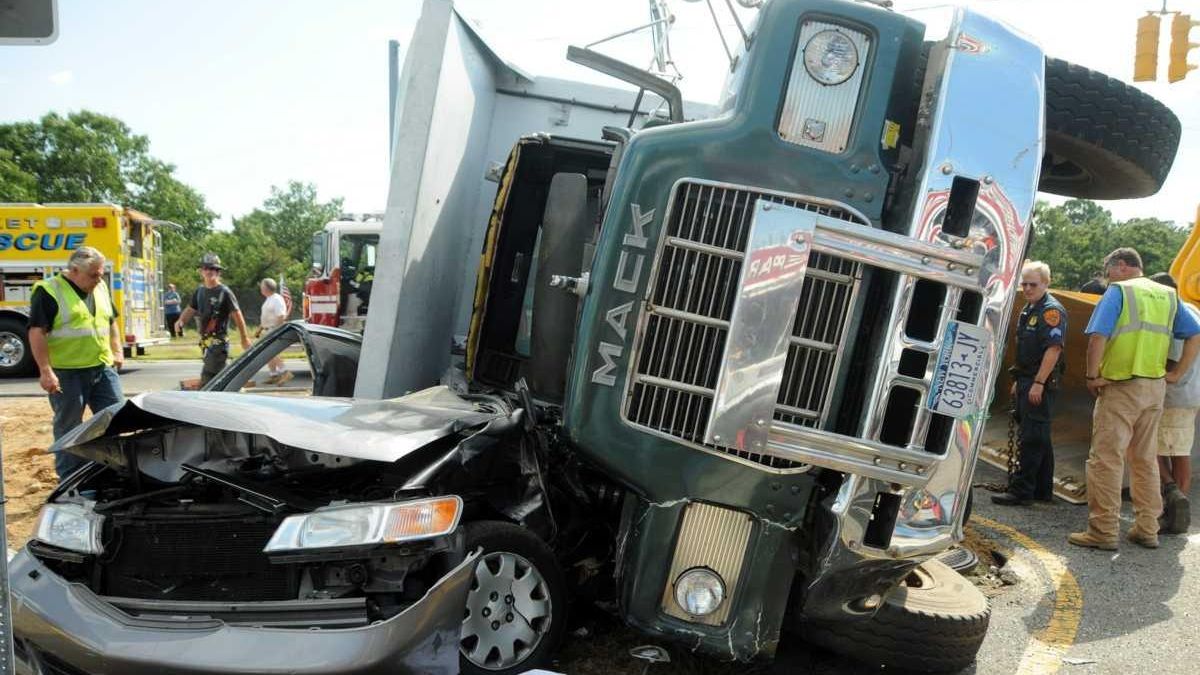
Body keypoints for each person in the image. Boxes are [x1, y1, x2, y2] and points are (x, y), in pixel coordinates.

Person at [1070, 248, 1200, 551]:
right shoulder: (1168, 296)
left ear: (1122, 266)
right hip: (1155, 388)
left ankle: (1102, 531)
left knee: (1106, 458)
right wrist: (1178, 373)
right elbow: (1195, 334)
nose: (1107, 279)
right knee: (1144, 459)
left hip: (1122, 386)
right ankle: (1147, 528)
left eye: (1108, 272)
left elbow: (1097, 338)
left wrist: (1091, 377)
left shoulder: (1119, 292)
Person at [27, 246, 125, 480]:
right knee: (69, 427)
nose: (98, 279)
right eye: (93, 274)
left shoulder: (99, 287)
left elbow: (110, 321)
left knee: (116, 418)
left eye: (101, 273)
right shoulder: (49, 291)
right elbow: (36, 332)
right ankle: (71, 480)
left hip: (102, 368)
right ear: (74, 270)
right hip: (67, 373)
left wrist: (117, 350)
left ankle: (112, 472)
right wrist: (45, 371)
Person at [993, 261, 1067, 506]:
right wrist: (1020, 380)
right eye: (1024, 284)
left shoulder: (1050, 311)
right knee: (1040, 435)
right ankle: (1042, 489)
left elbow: (1053, 349)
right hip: (1027, 378)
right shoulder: (1030, 309)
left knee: (1032, 437)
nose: (1027, 288)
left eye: (1032, 284)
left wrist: (1037, 383)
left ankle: (1021, 491)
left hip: (1039, 381)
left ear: (1046, 283)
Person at [1149, 272, 1198, 534]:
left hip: (1173, 395)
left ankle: (1171, 495)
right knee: (1181, 452)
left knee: (1150, 449)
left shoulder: (1174, 317)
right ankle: (1179, 507)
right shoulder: (1193, 310)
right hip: (1192, 395)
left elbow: (1173, 360)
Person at [174, 253, 252, 385]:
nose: (210, 271)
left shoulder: (224, 292)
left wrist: (244, 338)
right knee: (221, 378)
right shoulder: (199, 291)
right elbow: (190, 309)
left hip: (218, 342)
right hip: (206, 343)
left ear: (219, 272)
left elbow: (238, 316)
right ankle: (234, 389)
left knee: (208, 379)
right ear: (201, 271)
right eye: (207, 268)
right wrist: (180, 320)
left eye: (214, 269)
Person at [256, 278, 292, 385]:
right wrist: (259, 330)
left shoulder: (277, 299)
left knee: (270, 352)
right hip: (267, 329)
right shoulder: (269, 299)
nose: (261, 288)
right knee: (268, 353)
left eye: (262, 286)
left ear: (266, 288)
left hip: (273, 329)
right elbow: (266, 318)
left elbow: (281, 316)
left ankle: (285, 371)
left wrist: (276, 330)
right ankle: (274, 375)